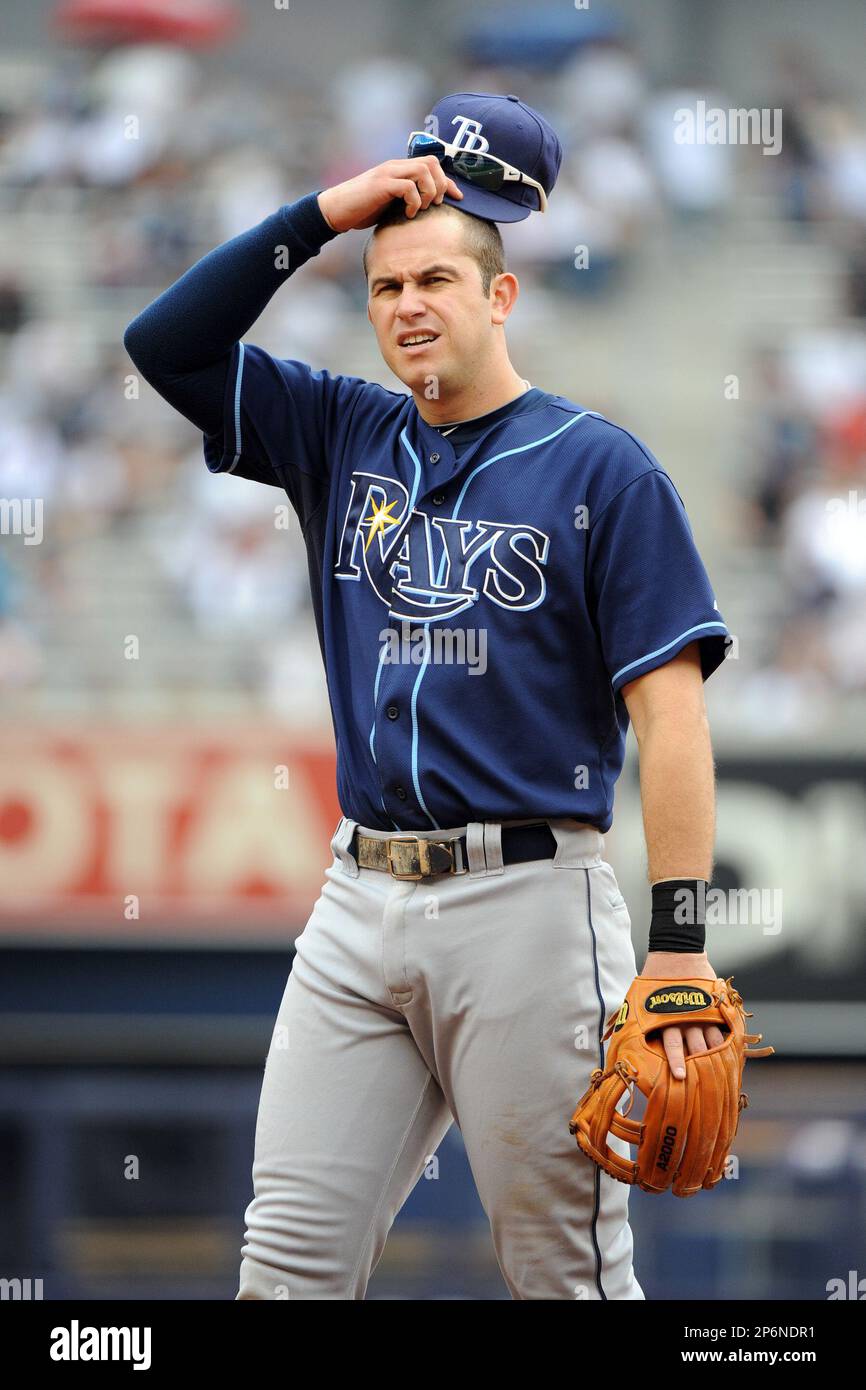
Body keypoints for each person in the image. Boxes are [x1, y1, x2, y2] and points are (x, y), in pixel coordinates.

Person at [124, 93, 731, 1301]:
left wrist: (677, 949)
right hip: (356, 901)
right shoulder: (336, 429)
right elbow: (166, 346)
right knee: (284, 1271)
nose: (407, 305)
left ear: (498, 295)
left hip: (526, 904)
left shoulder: (599, 467)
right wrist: (323, 215)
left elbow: (670, 718)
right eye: (387, 285)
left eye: (437, 280)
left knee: (561, 1275)